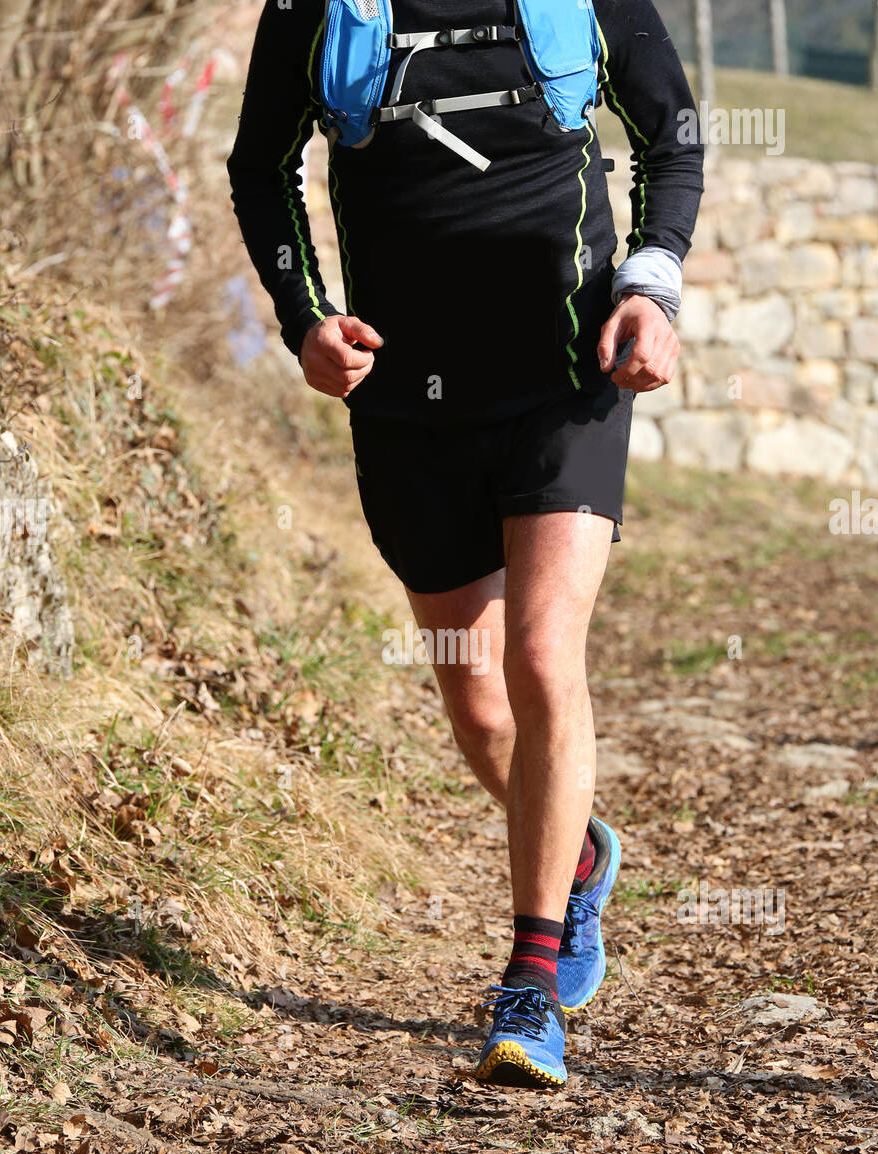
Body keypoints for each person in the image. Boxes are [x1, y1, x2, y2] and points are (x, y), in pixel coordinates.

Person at [228, 0, 704, 1088]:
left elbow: (670, 134)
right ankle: (579, 853)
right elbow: (260, 165)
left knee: (540, 656)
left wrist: (651, 284)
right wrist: (304, 315)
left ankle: (528, 985)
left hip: (567, 376)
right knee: (482, 707)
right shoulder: (318, 8)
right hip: (409, 404)